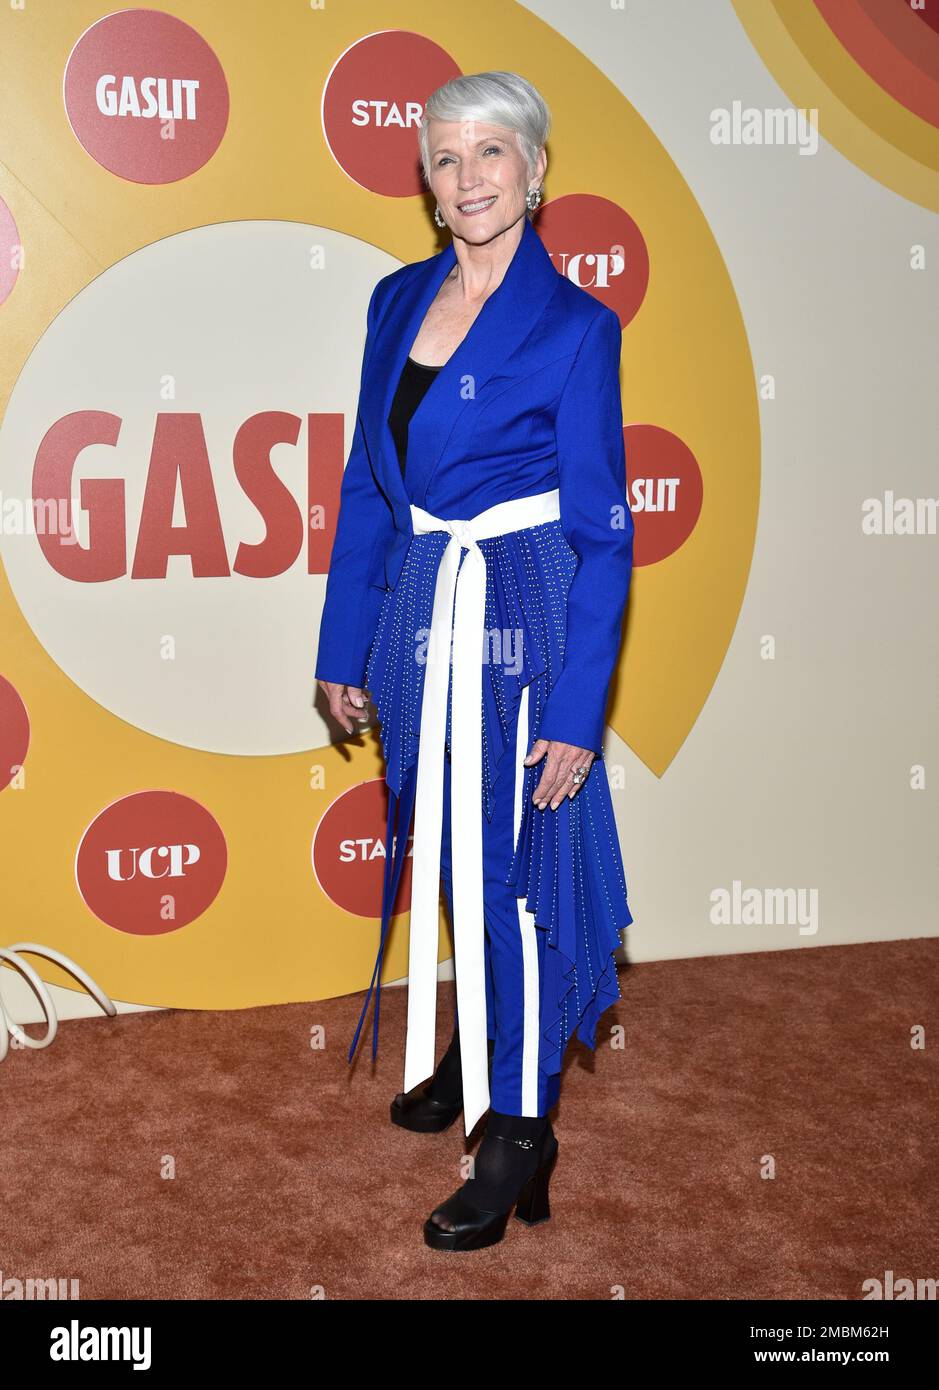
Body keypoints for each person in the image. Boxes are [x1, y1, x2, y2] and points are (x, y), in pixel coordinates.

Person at [315, 70, 634, 1252]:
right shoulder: (396, 299)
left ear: (536, 171)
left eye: (491, 154)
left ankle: (520, 1129)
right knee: (452, 846)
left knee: (517, 866)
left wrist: (576, 708)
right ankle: (483, 1040)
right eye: (445, 160)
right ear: (425, 183)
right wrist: (345, 638)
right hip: (418, 617)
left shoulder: (576, 327)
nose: (468, 180)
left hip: (522, 614)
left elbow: (605, 534)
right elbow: (367, 484)